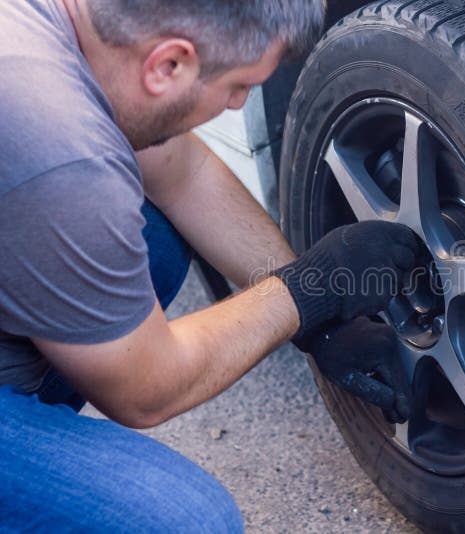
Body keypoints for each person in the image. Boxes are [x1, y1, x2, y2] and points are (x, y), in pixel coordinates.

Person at [0, 1, 420, 531]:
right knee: (191, 520)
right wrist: (309, 291)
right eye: (239, 86)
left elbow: (184, 172)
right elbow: (146, 388)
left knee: (155, 236)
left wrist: (321, 326)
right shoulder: (62, 149)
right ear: (168, 66)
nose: (241, 102)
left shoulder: (68, 33)